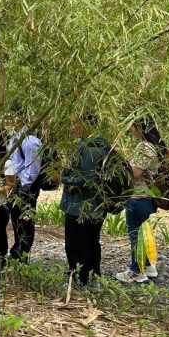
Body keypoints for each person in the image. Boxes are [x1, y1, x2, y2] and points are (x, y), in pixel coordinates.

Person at [60, 113, 110, 287]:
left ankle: (82, 277)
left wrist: (62, 178)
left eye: (75, 124)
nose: (72, 128)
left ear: (87, 125)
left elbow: (86, 181)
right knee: (90, 241)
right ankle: (90, 273)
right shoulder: (94, 145)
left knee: (78, 243)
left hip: (82, 207)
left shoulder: (91, 149)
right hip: (91, 206)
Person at [116, 116, 165, 283]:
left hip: (139, 197)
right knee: (140, 234)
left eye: (133, 127)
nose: (131, 131)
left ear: (140, 127)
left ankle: (136, 271)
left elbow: (135, 173)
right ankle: (148, 266)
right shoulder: (155, 147)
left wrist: (121, 171)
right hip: (148, 198)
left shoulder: (144, 147)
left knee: (135, 235)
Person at [6, 119, 44, 262]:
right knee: (16, 220)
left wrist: (21, 188)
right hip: (13, 186)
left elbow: (32, 170)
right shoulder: (14, 137)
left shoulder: (30, 141)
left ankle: (22, 255)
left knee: (25, 222)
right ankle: (17, 252)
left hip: (25, 189)